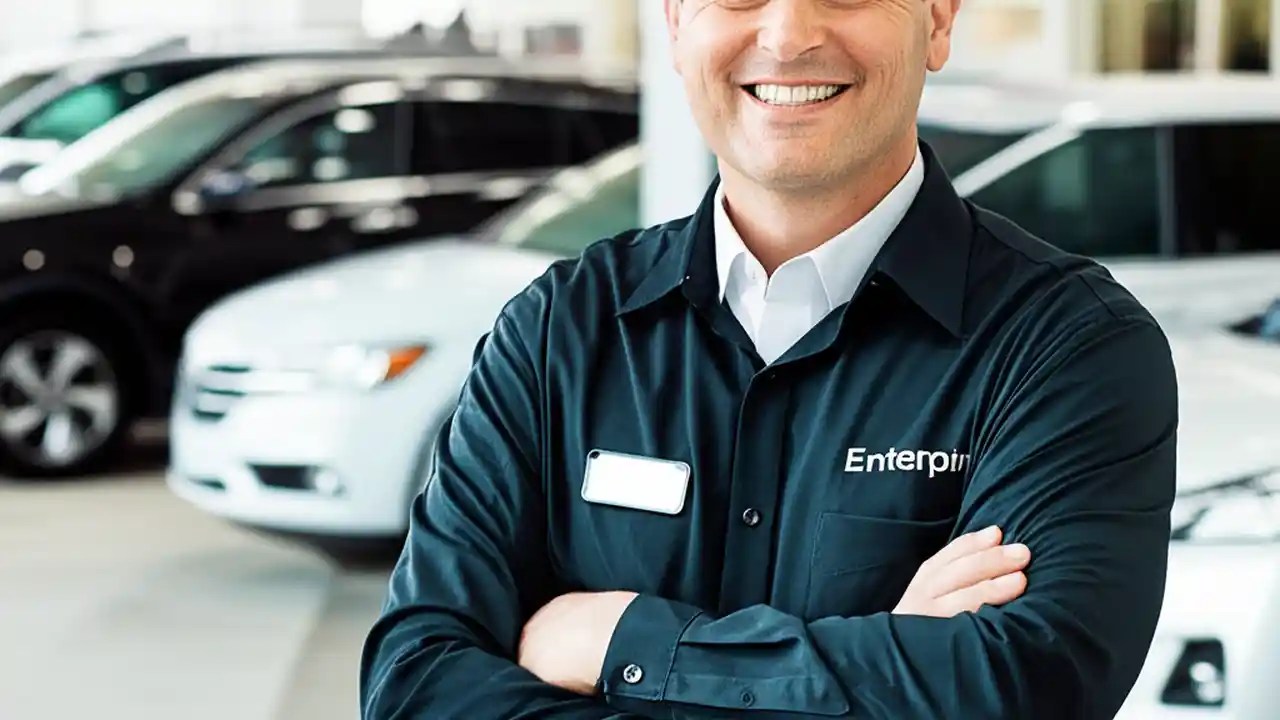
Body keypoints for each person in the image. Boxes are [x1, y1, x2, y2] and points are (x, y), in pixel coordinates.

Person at [360, 1, 1178, 717]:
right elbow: (416, 683)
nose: (788, 36)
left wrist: (622, 645)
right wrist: (887, 666)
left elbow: (1024, 686)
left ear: (937, 18)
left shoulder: (1068, 350)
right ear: (677, 22)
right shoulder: (558, 334)